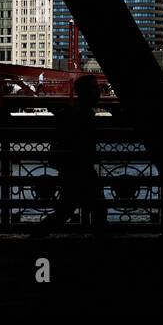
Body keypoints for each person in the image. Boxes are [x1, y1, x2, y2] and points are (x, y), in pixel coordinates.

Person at [38, 75, 104, 234]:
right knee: (97, 210)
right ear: (85, 92)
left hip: (72, 171)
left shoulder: (72, 113)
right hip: (81, 171)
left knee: (65, 212)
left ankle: (36, 239)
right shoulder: (83, 116)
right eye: (94, 88)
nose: (98, 92)